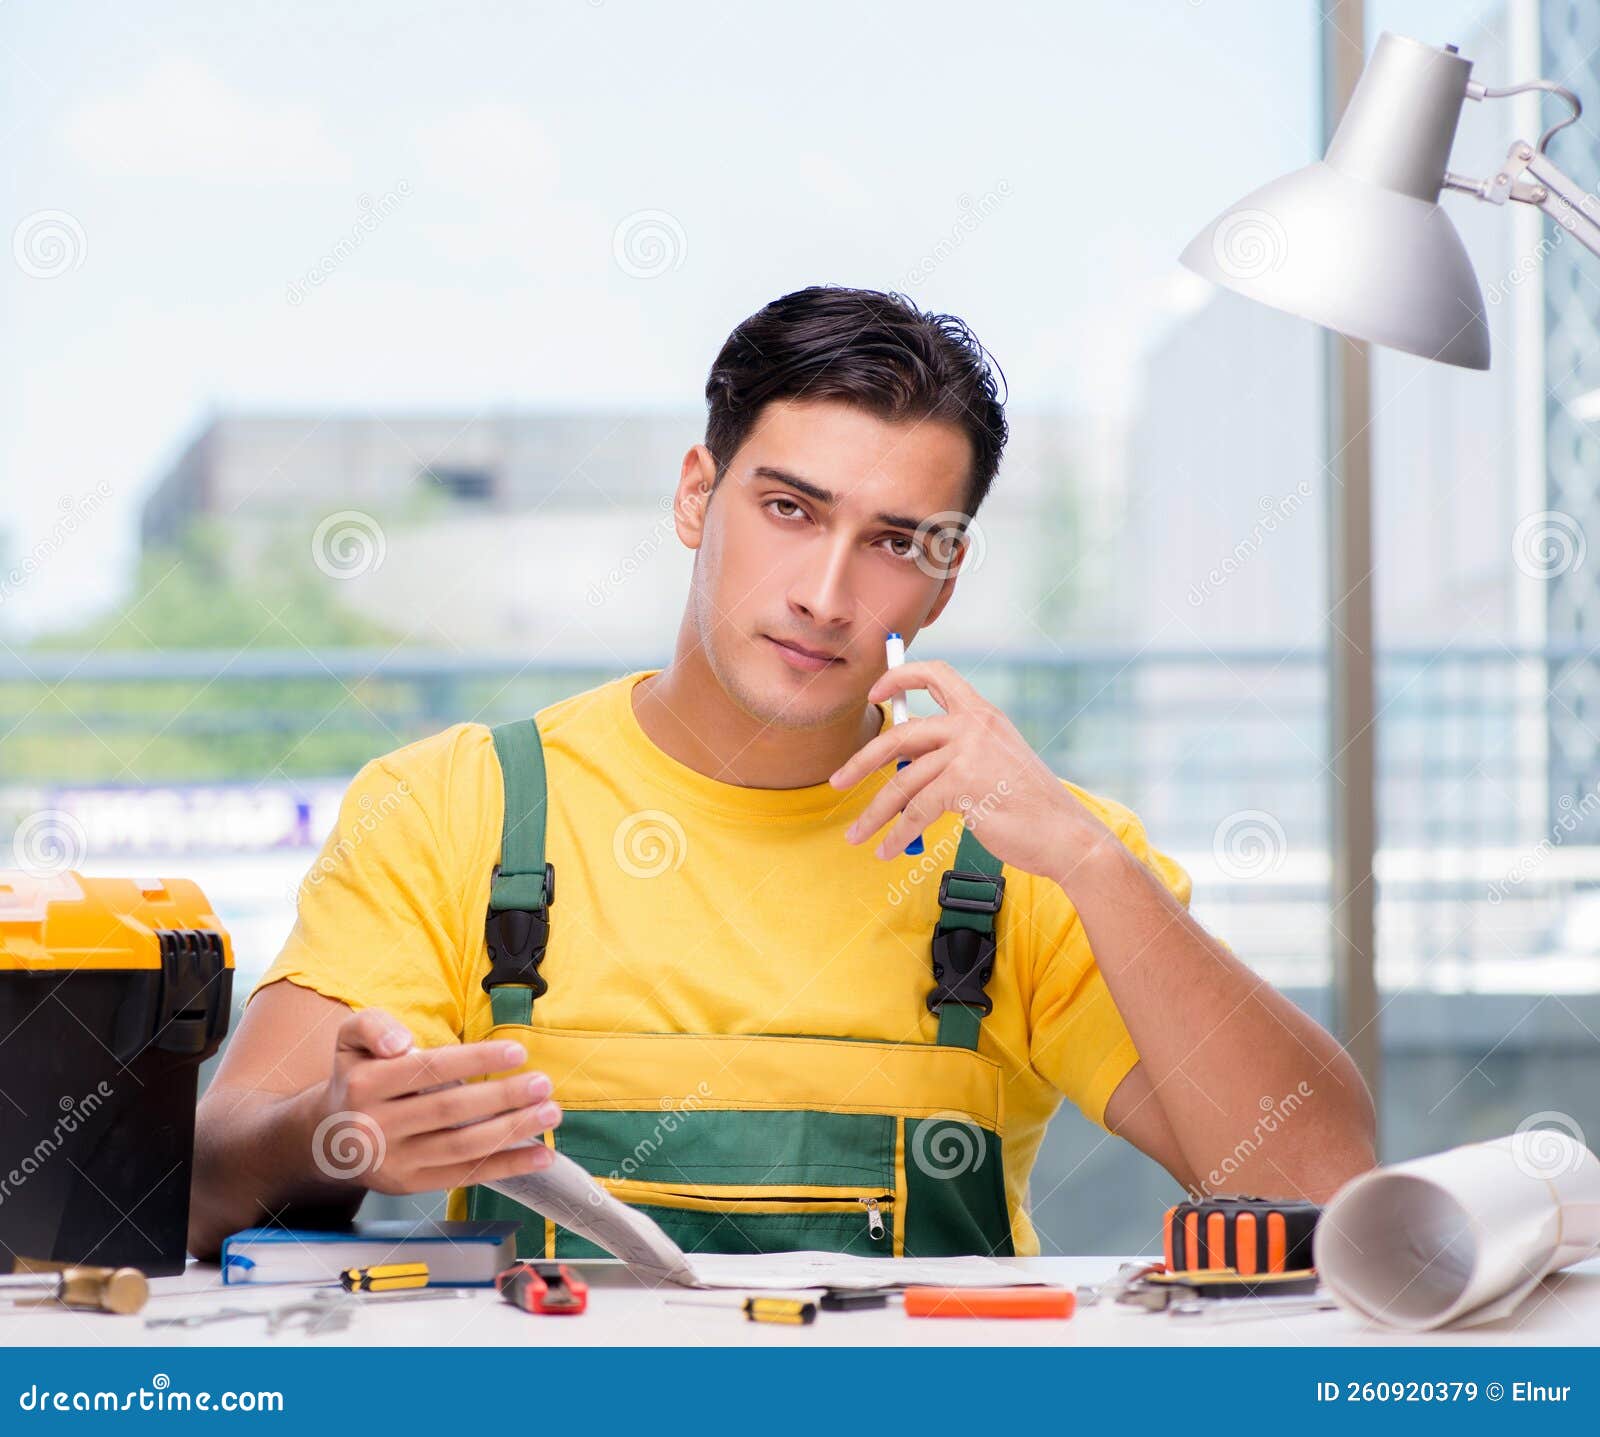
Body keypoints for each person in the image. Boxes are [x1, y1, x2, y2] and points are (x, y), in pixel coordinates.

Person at [189, 285, 1375, 1262]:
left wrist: (1087, 861)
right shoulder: (456, 811)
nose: (826, 592)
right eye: (791, 510)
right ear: (697, 497)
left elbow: (1329, 1191)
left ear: (946, 578)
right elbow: (200, 1186)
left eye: (897, 542)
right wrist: (334, 1130)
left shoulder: (1026, 856)